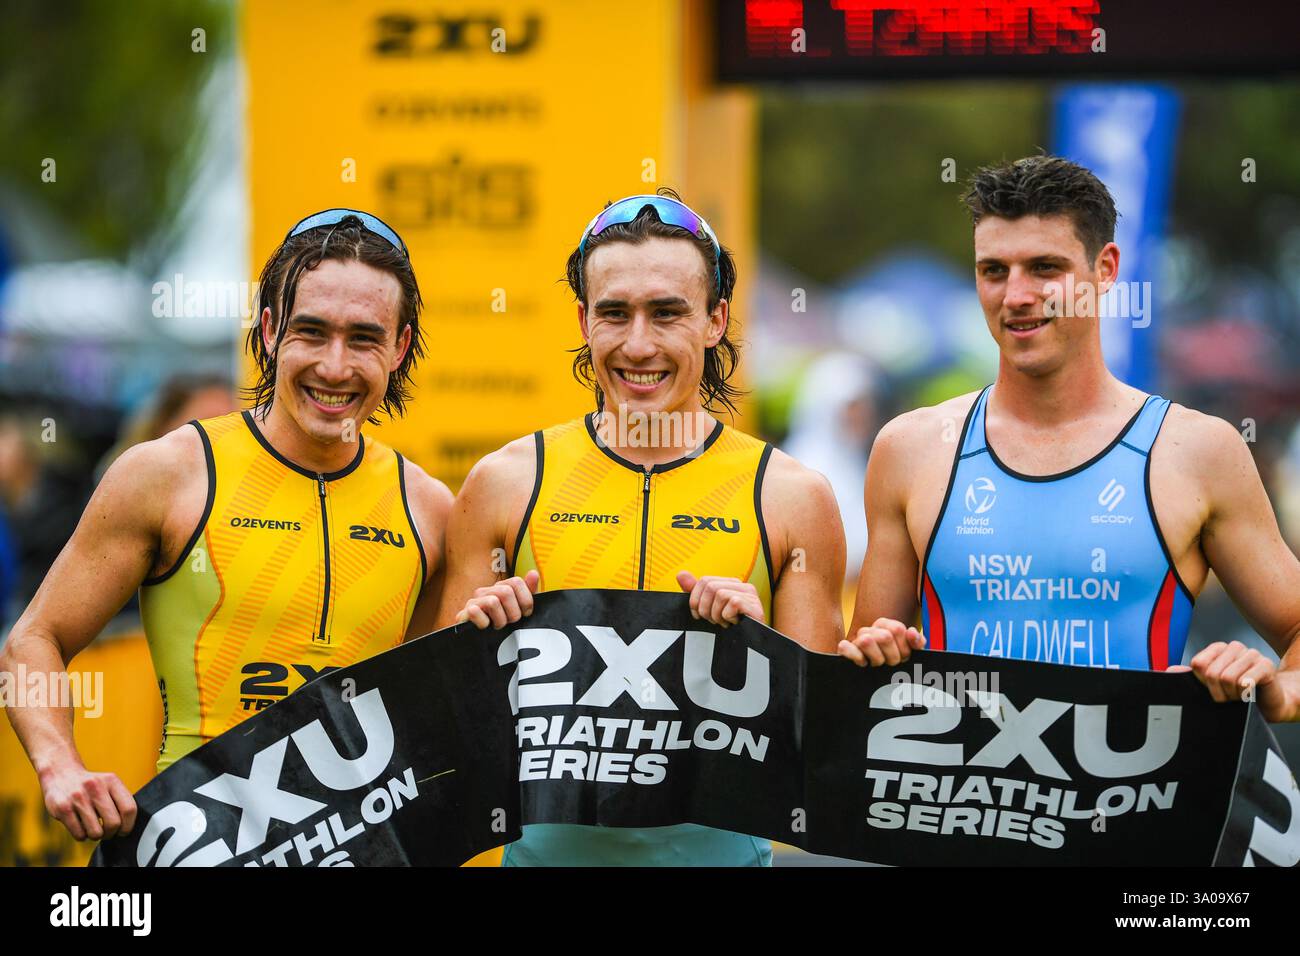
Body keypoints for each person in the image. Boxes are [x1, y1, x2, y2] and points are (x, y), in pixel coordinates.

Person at [0, 209, 454, 843]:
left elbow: (438, 711)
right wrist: (59, 766)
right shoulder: (169, 474)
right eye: (311, 332)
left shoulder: (431, 510)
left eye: (363, 338)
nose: (334, 365)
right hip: (201, 851)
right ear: (268, 331)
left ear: (399, 348)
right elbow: (33, 640)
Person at [437, 190, 846, 865]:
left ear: (715, 320)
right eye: (614, 314)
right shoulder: (506, 482)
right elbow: (446, 743)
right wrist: (478, 645)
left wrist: (761, 653)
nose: (638, 344)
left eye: (666, 314)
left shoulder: (790, 495)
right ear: (582, 319)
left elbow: (820, 755)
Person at [840, 156, 1300, 724]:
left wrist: (1275, 691)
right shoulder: (911, 448)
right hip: (961, 809)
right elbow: (859, 679)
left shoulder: (1196, 451)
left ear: (1105, 270)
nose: (1016, 296)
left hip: (1129, 805)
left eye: (1044, 268)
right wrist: (875, 656)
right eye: (993, 271)